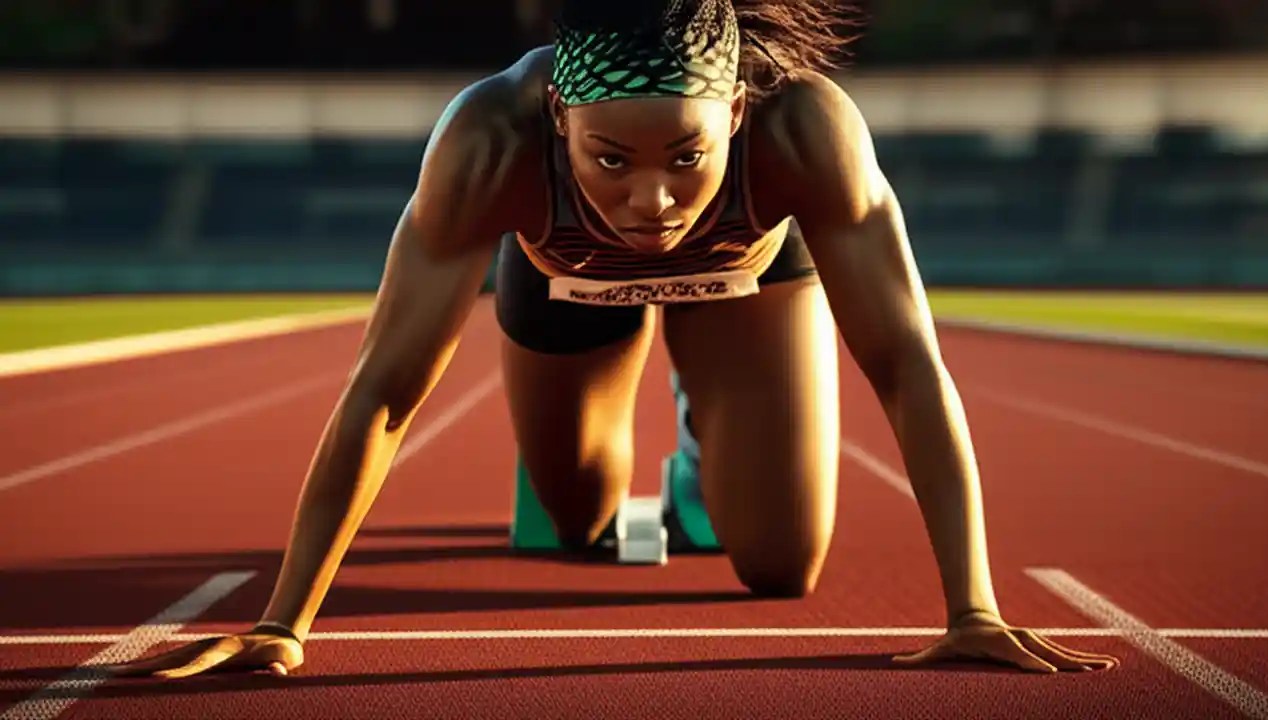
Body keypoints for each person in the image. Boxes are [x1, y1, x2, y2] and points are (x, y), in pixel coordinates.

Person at [111, 0, 1118, 679]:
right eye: (608, 160)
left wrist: (971, 608)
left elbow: (904, 364)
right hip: (564, 281)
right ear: (556, 118)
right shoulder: (486, 142)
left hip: (746, 283)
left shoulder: (805, 130)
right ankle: (610, 456)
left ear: (735, 111)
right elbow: (384, 389)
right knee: (579, 513)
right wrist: (284, 623)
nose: (652, 201)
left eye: (687, 156)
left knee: (777, 567)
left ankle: (694, 462)